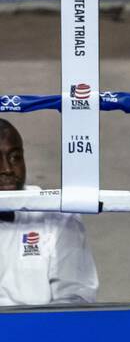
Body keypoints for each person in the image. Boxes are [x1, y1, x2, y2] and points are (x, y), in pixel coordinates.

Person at [0, 121, 98, 307]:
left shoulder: (57, 217)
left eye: (15, 157)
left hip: (37, 332)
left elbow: (75, 300)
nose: (7, 169)